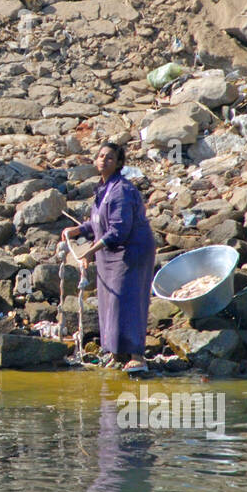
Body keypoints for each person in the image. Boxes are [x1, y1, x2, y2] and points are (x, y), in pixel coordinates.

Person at [61, 142, 156, 373]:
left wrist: (89, 252)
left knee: (127, 298)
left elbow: (118, 230)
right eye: (101, 156)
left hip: (131, 252)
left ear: (119, 164)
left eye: (110, 158)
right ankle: (115, 353)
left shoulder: (122, 190)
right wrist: (75, 231)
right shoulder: (103, 188)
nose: (104, 160)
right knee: (110, 301)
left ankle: (137, 356)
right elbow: (97, 222)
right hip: (110, 253)